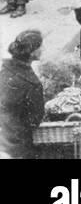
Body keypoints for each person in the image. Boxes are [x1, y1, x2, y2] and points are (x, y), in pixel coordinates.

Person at [0, 30, 44, 159]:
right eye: (41, 46)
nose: (43, 49)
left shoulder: (4, 70)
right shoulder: (33, 84)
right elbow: (34, 121)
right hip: (16, 146)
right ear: (32, 52)